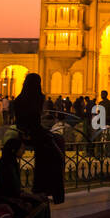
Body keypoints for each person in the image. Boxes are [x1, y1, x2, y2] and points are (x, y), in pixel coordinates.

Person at [14, 73, 65, 209]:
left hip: (28, 132)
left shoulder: (19, 99)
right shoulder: (38, 97)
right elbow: (34, 121)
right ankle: (53, 192)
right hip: (33, 133)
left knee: (51, 151)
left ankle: (42, 189)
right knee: (57, 156)